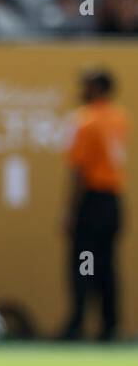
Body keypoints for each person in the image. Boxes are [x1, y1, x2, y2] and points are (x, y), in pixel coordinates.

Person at [60, 66, 127, 341]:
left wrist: (70, 210)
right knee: (107, 265)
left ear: (97, 88)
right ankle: (109, 325)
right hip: (112, 200)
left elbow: (79, 169)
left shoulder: (85, 120)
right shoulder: (119, 118)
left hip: (91, 201)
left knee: (82, 264)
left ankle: (77, 323)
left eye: (86, 85)